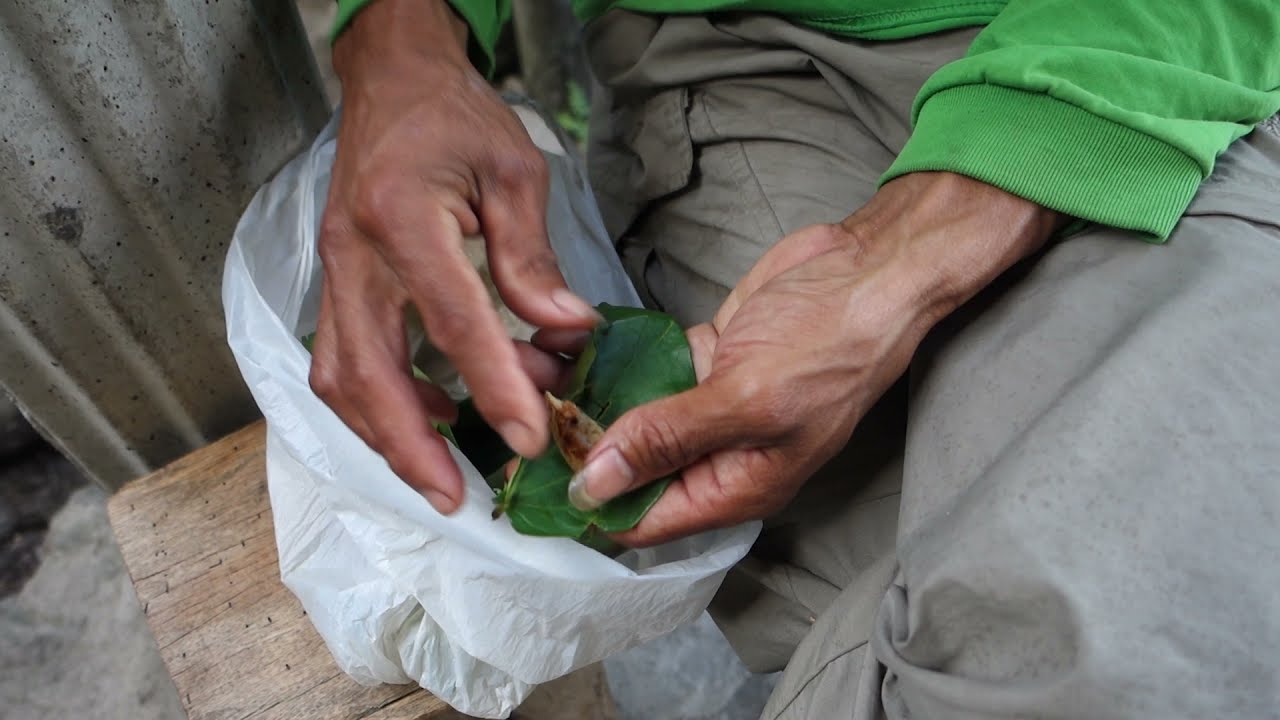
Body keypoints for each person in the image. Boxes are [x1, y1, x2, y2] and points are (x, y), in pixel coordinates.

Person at [307, 0, 1280, 716]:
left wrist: (906, 253)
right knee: (1054, 630)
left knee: (1130, 618)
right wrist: (403, 40)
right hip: (745, 52)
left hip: (1152, 46)